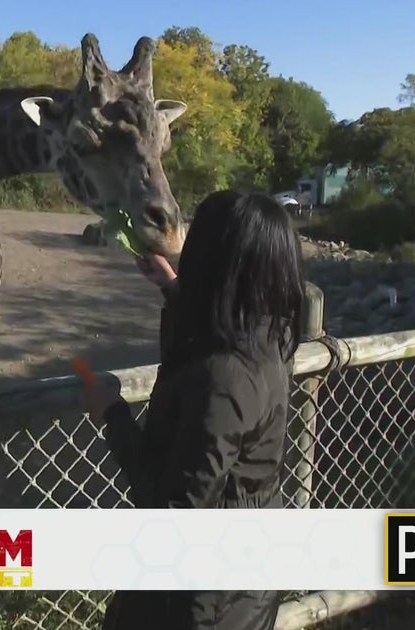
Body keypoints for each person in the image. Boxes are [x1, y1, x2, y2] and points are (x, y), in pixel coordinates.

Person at [84, 189, 306, 630]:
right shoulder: (268, 336)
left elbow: (173, 508)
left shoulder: (225, 378)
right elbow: (216, 335)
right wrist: (173, 289)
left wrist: (111, 414)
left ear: (215, 263)